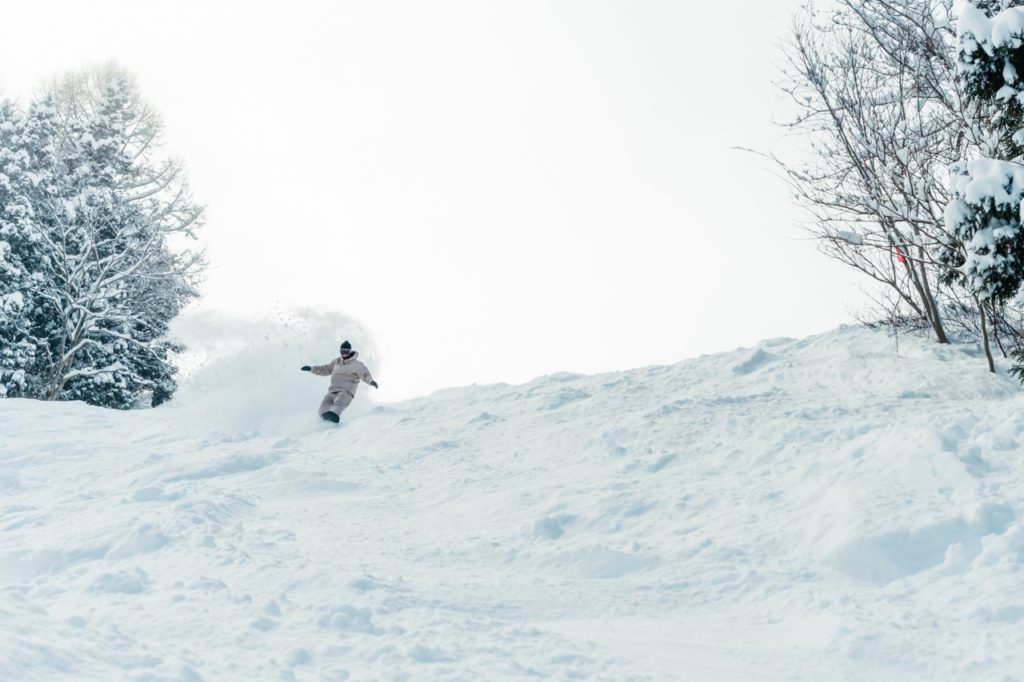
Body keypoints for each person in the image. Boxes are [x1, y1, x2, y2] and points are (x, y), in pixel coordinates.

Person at [301, 340, 378, 422]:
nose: (344, 353)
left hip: (346, 391)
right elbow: (325, 369)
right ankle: (321, 420)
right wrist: (312, 369)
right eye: (342, 351)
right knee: (325, 402)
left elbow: (365, 374)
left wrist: (371, 381)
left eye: (346, 351)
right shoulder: (336, 361)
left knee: (340, 400)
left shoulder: (356, 364)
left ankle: (334, 415)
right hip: (333, 390)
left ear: (349, 351)